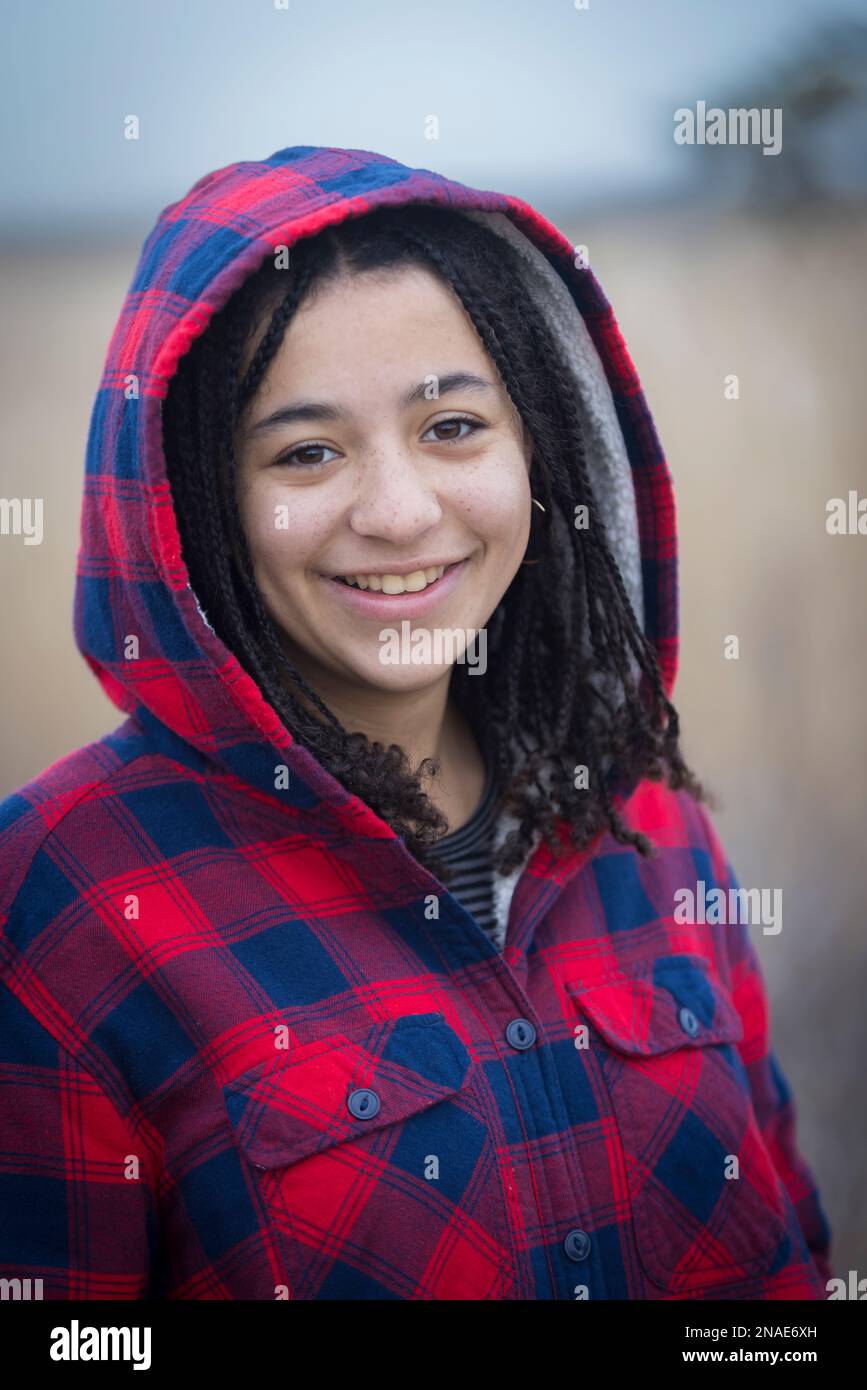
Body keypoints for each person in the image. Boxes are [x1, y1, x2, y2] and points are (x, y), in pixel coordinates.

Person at [0, 144, 832, 1300]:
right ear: (195, 498)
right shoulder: (63, 898)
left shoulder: (651, 825)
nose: (399, 512)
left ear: (537, 449)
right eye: (307, 451)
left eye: (452, 428)